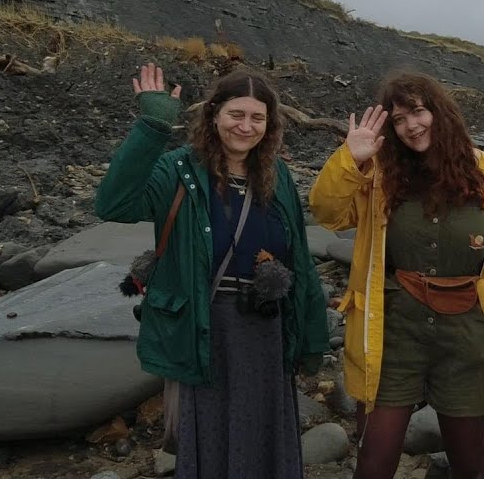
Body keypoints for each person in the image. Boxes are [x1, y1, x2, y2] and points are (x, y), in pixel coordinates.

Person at [95, 64, 329, 479]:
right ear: (215, 114)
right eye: (236, 114)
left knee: (265, 427)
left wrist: (309, 335)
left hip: (265, 324)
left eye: (258, 117)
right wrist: (152, 126)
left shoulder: (280, 176)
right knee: (213, 431)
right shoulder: (178, 169)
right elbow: (114, 205)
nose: (246, 126)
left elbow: (301, 261)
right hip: (206, 323)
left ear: (269, 124)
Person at [309, 72, 484, 479]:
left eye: (418, 112)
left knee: (470, 464)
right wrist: (351, 158)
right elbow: (327, 213)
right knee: (373, 461)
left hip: (466, 335)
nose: (411, 126)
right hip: (393, 332)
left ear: (440, 112)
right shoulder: (378, 176)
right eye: (399, 120)